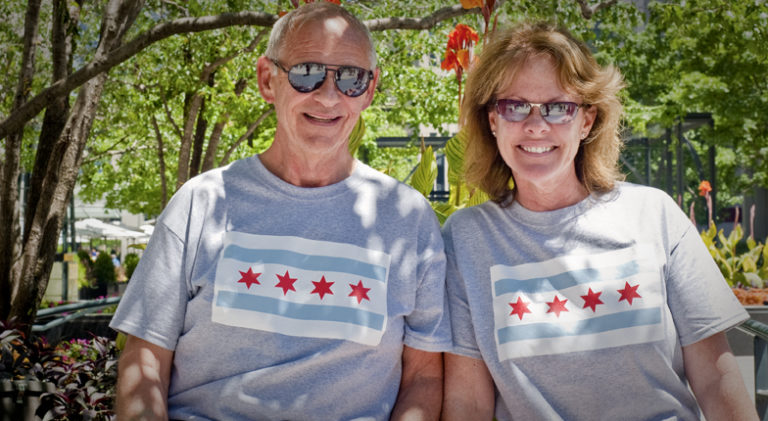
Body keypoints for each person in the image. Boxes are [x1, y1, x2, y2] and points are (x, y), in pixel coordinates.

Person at [110, 3, 450, 420]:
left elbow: (423, 377)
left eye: (351, 78)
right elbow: (144, 359)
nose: (328, 97)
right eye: (307, 72)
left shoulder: (408, 219)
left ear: (371, 88)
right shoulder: (200, 203)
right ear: (267, 79)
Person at [441, 22, 757, 420]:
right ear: (492, 120)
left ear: (587, 121)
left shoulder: (654, 215)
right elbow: (467, 402)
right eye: (515, 106)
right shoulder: (467, 238)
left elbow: (716, 380)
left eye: (558, 107)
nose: (536, 125)